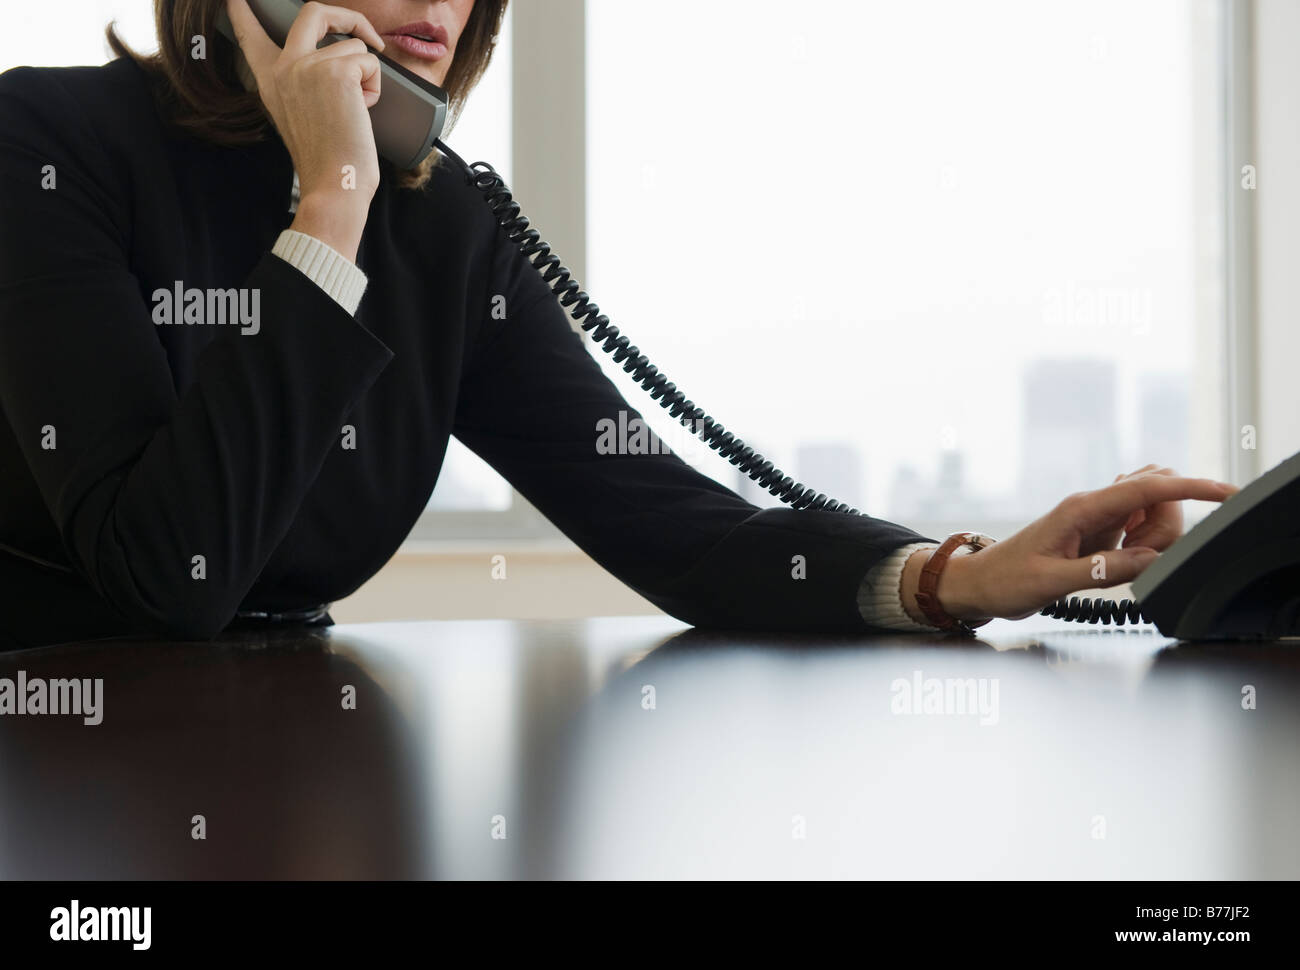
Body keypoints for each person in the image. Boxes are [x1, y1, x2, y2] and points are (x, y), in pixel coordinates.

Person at [0, 0, 1236, 649]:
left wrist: (952, 577)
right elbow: (170, 577)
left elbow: (670, 524)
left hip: (287, 771)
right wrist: (329, 201)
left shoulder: (444, 232)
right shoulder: (51, 150)